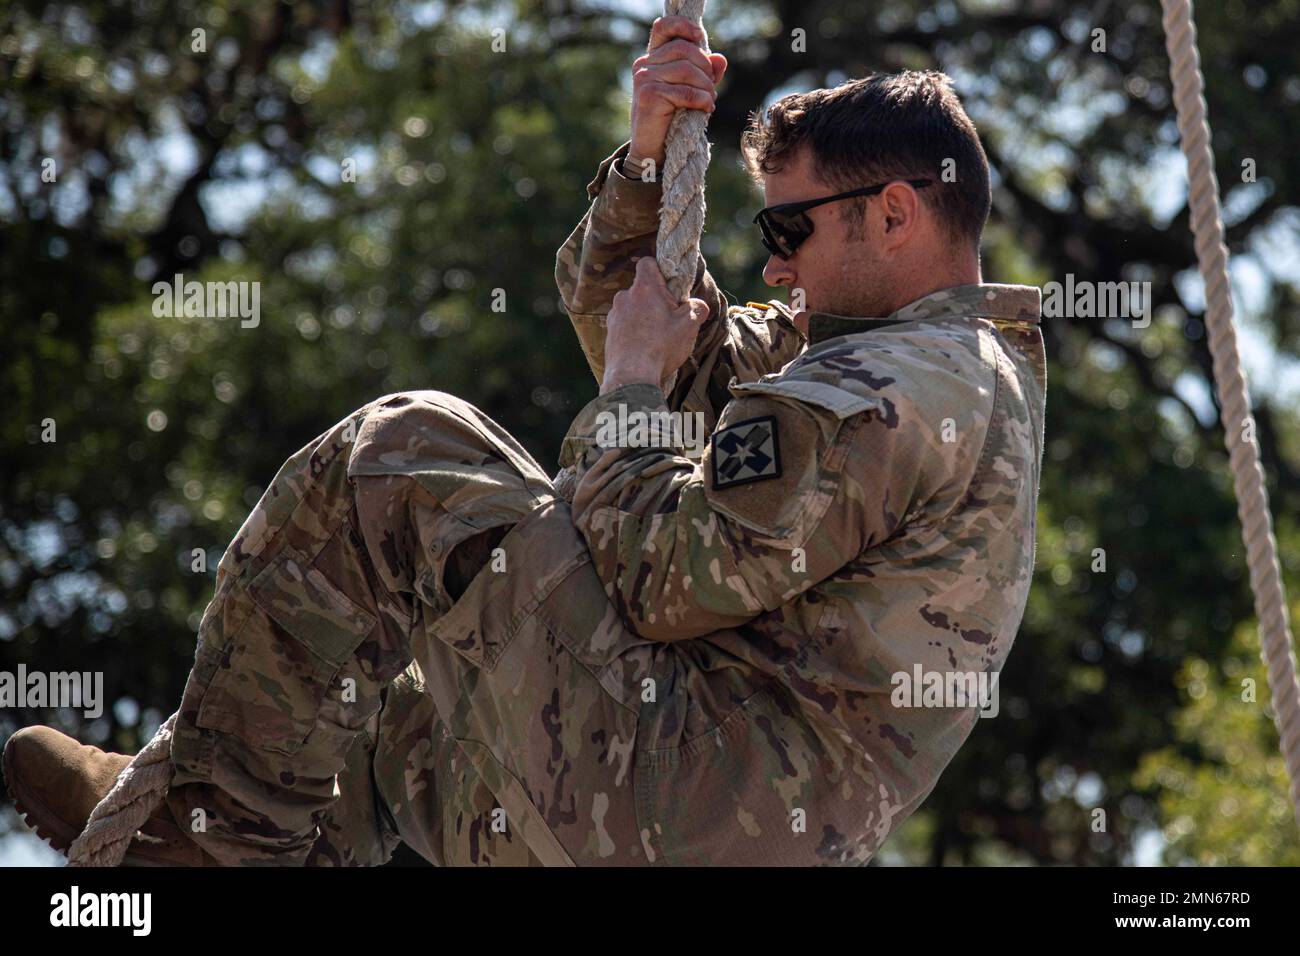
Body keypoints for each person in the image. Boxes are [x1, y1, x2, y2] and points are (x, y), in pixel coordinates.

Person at [3, 15, 1045, 866]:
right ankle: (210, 811)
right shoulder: (907, 363)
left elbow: (666, 580)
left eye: (788, 232)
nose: (775, 267)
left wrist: (632, 388)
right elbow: (649, 324)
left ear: (895, 212)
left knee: (402, 453)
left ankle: (199, 842)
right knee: (388, 678)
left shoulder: (901, 386)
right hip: (659, 802)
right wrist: (649, 157)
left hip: (664, 799)